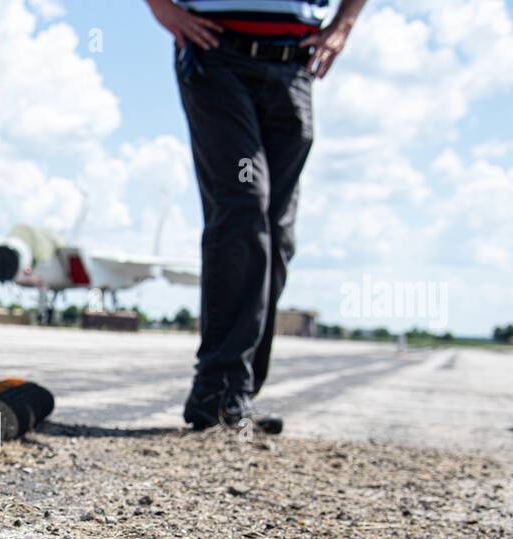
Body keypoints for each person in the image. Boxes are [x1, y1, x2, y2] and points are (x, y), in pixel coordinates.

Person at [145, 0, 368, 430]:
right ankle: (218, 387)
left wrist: (345, 22)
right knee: (244, 205)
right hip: (216, 54)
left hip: (295, 64)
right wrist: (161, 8)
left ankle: (238, 391)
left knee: (278, 230)